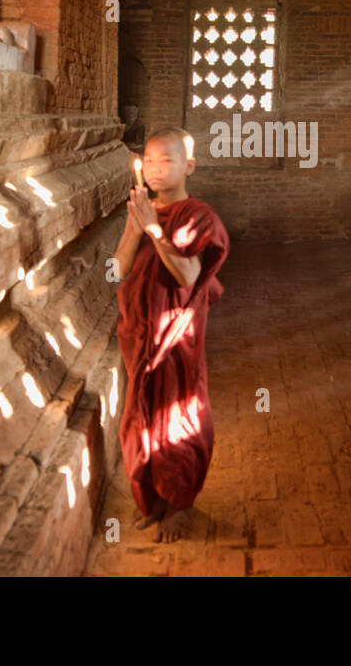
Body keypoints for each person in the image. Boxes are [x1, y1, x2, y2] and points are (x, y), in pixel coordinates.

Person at [112, 127, 229, 542]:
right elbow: (117, 271)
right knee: (139, 416)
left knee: (178, 414)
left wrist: (155, 231)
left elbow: (186, 274)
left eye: (167, 161)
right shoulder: (146, 213)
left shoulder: (199, 217)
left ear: (189, 166)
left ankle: (181, 502)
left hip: (176, 335)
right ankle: (153, 499)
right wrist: (134, 226)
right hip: (138, 333)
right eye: (149, 160)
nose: (156, 169)